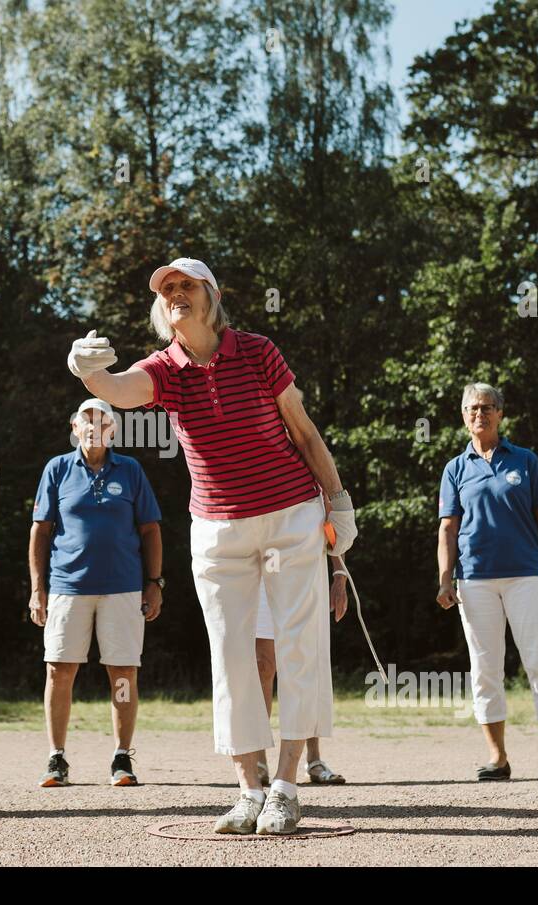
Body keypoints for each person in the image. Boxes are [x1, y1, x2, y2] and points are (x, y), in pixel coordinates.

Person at [65, 257, 354, 835]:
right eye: (167, 289)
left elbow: (301, 428)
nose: (175, 294)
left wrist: (337, 497)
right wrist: (90, 375)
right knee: (230, 654)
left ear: (211, 297)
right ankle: (249, 787)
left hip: (290, 512)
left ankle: (288, 785)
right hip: (218, 527)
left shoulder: (257, 350)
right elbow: (122, 392)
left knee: (298, 646)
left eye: (185, 286)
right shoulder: (167, 367)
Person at [437, 383, 538, 781]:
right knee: (484, 668)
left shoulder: (526, 461)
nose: (480, 414)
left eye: (487, 408)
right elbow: (447, 527)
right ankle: (497, 757)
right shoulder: (455, 469)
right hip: (474, 579)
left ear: (500, 414)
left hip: (527, 574)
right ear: (463, 416)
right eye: (472, 408)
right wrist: (445, 579)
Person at [29, 398, 163, 787]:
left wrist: (155, 584)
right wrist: (38, 589)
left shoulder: (131, 470)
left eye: (103, 419)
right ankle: (56, 758)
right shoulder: (56, 469)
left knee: (122, 672)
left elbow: (151, 530)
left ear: (114, 430)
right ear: (74, 427)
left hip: (123, 589)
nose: (94, 425)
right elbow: (40, 530)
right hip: (67, 587)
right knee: (59, 669)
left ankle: (122, 757)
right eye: (87, 418)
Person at [252, 580, 346, 786]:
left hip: (302, 568)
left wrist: (340, 573)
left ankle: (314, 759)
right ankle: (258, 760)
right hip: (260, 568)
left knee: (304, 662)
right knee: (263, 666)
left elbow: (335, 545)